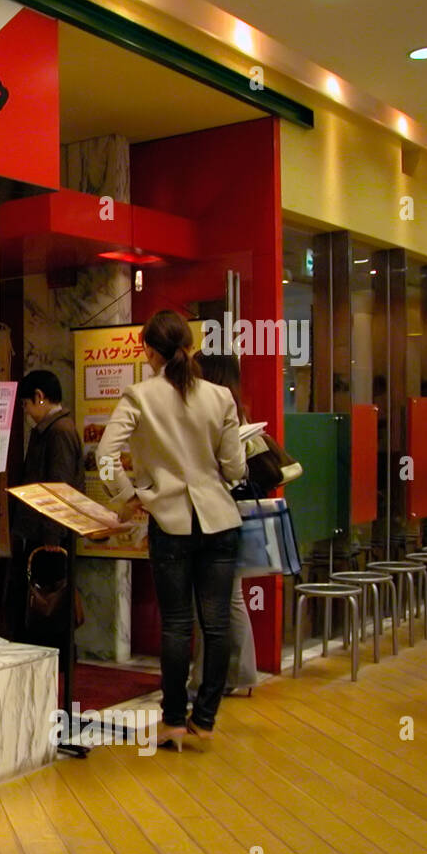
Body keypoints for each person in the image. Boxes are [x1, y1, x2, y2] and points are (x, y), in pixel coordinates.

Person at [96, 310, 246, 747]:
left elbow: (106, 454)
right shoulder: (220, 397)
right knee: (216, 624)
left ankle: (174, 720)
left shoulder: (139, 396)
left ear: (148, 350)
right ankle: (207, 716)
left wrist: (128, 495)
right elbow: (235, 467)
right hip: (219, 521)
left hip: (170, 523)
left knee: (177, 625)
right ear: (190, 346)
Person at [188, 351, 259, 699]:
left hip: (215, 517)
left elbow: (227, 469)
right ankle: (237, 673)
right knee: (230, 599)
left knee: (213, 602)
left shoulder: (215, 411)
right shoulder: (238, 410)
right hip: (233, 516)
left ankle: (207, 680)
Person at [3, 370, 85, 643]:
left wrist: (51, 533)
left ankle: (55, 657)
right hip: (39, 529)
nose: (26, 412)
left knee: (48, 600)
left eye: (25, 404)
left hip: (49, 534)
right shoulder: (49, 429)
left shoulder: (59, 431)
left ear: (39, 397)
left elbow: (59, 485)